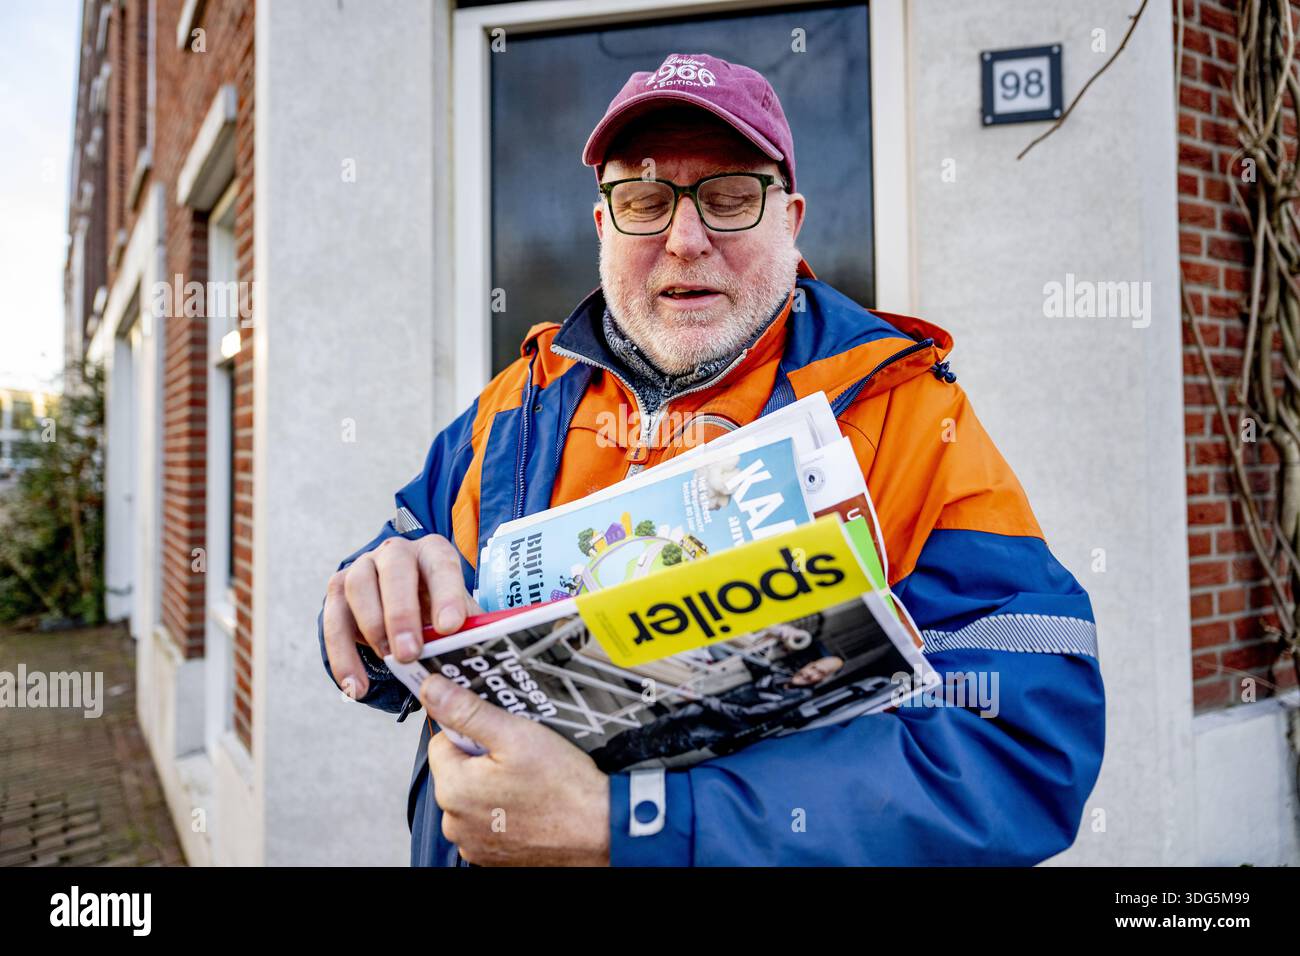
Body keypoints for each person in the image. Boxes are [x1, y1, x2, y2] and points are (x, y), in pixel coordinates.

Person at [318, 52, 1105, 867]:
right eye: (644, 200)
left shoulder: (909, 418)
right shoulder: (513, 407)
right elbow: (375, 607)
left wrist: (639, 822)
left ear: (790, 220)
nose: (685, 240)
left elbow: (1019, 749)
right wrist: (368, 604)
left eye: (729, 198)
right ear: (604, 227)